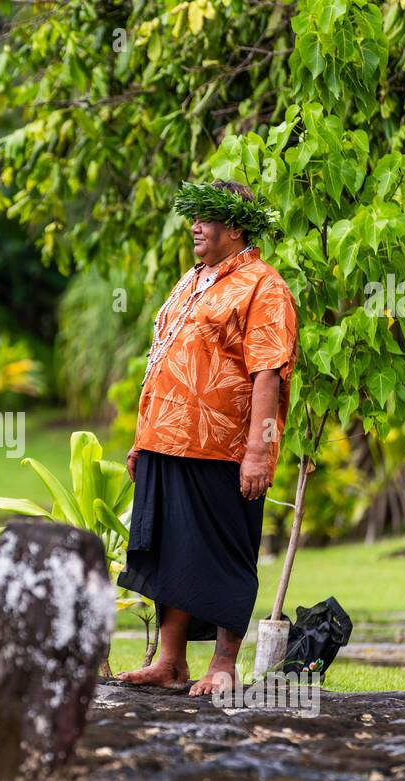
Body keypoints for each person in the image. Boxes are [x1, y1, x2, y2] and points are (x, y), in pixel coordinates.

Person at [117, 180, 297, 696]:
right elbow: (162, 360)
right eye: (193, 217)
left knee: (223, 552)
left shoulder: (264, 286)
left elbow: (268, 373)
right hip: (165, 439)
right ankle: (170, 662)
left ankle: (223, 664)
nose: (196, 227)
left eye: (208, 218)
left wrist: (258, 452)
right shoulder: (192, 280)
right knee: (171, 550)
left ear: (236, 226)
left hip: (223, 446)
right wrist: (141, 438)